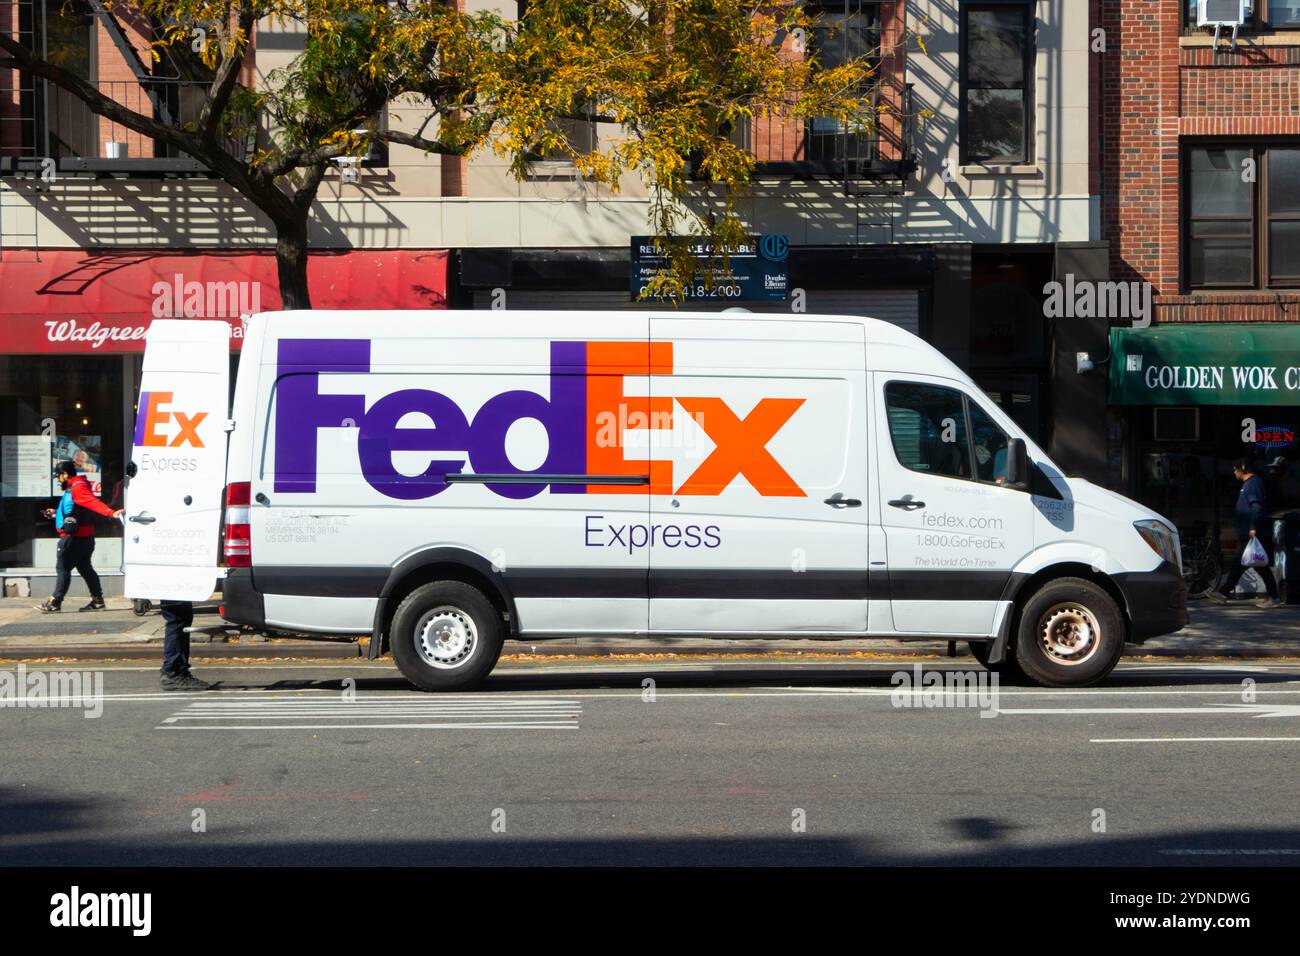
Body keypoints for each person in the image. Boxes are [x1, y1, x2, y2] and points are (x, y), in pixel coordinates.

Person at [36, 461, 123, 613]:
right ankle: (97, 602)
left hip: (73, 538)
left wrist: (110, 512)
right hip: (84, 537)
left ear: (65, 474)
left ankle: (55, 602)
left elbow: (91, 502)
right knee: (85, 568)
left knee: (62, 568)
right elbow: (77, 509)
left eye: (59, 476)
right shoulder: (75, 487)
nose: (58, 480)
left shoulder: (77, 487)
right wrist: (56, 513)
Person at [1208, 457, 1283, 608]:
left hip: (1252, 534)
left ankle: (1223, 593)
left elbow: (1256, 507)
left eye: (1235, 469)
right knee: (1260, 567)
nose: (1234, 472)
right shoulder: (1249, 484)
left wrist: (1253, 527)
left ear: (1243, 468)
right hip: (1248, 533)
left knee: (1238, 563)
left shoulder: (1253, 484)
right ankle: (1273, 597)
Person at [159, 600, 211, 691]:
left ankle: (176, 671)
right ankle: (173, 672)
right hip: (174, 591)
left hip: (175, 590)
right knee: (178, 621)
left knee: (180, 621)